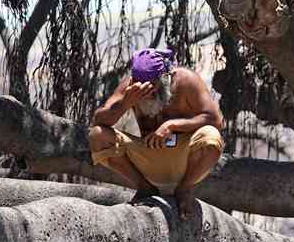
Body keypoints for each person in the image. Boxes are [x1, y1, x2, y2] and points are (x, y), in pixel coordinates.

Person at [88, 47, 225, 213]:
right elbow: (99, 120)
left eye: (152, 88)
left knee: (211, 137)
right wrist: (125, 102)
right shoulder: (130, 88)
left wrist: (171, 125)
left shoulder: (186, 81)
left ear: (165, 77)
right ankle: (144, 187)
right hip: (148, 158)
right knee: (98, 135)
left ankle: (184, 189)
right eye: (142, 89)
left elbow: (215, 119)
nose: (147, 94)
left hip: (185, 160)